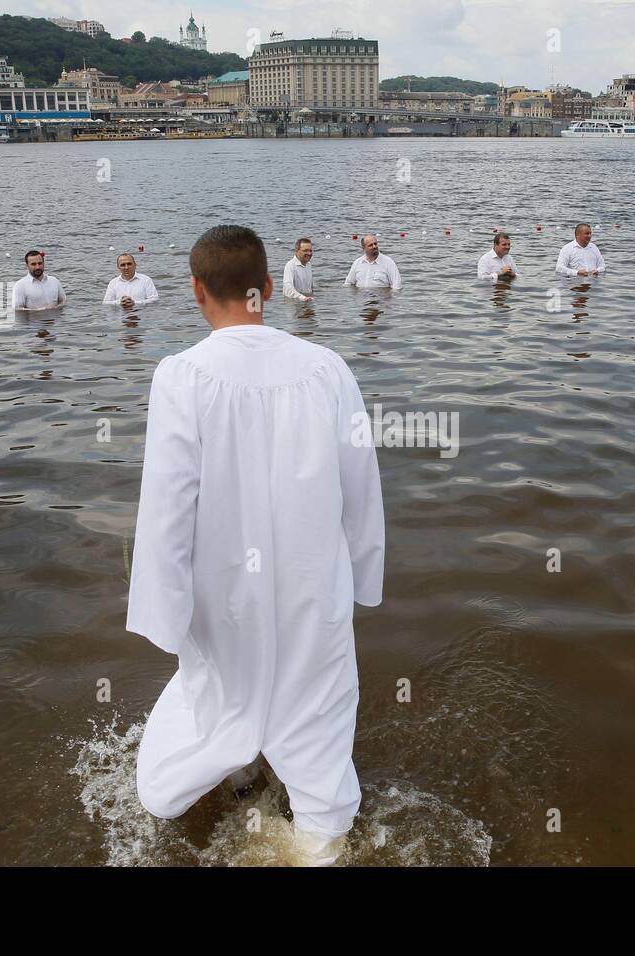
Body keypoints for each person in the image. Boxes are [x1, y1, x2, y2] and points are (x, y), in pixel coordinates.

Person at [127, 224, 385, 867]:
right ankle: (320, 841)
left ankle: (230, 785)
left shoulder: (181, 376)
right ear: (266, 288)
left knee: (219, 696)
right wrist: (360, 575)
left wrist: (165, 610)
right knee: (318, 705)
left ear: (195, 292)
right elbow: (362, 483)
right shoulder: (328, 368)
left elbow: (165, 506)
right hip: (311, 581)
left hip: (224, 591)